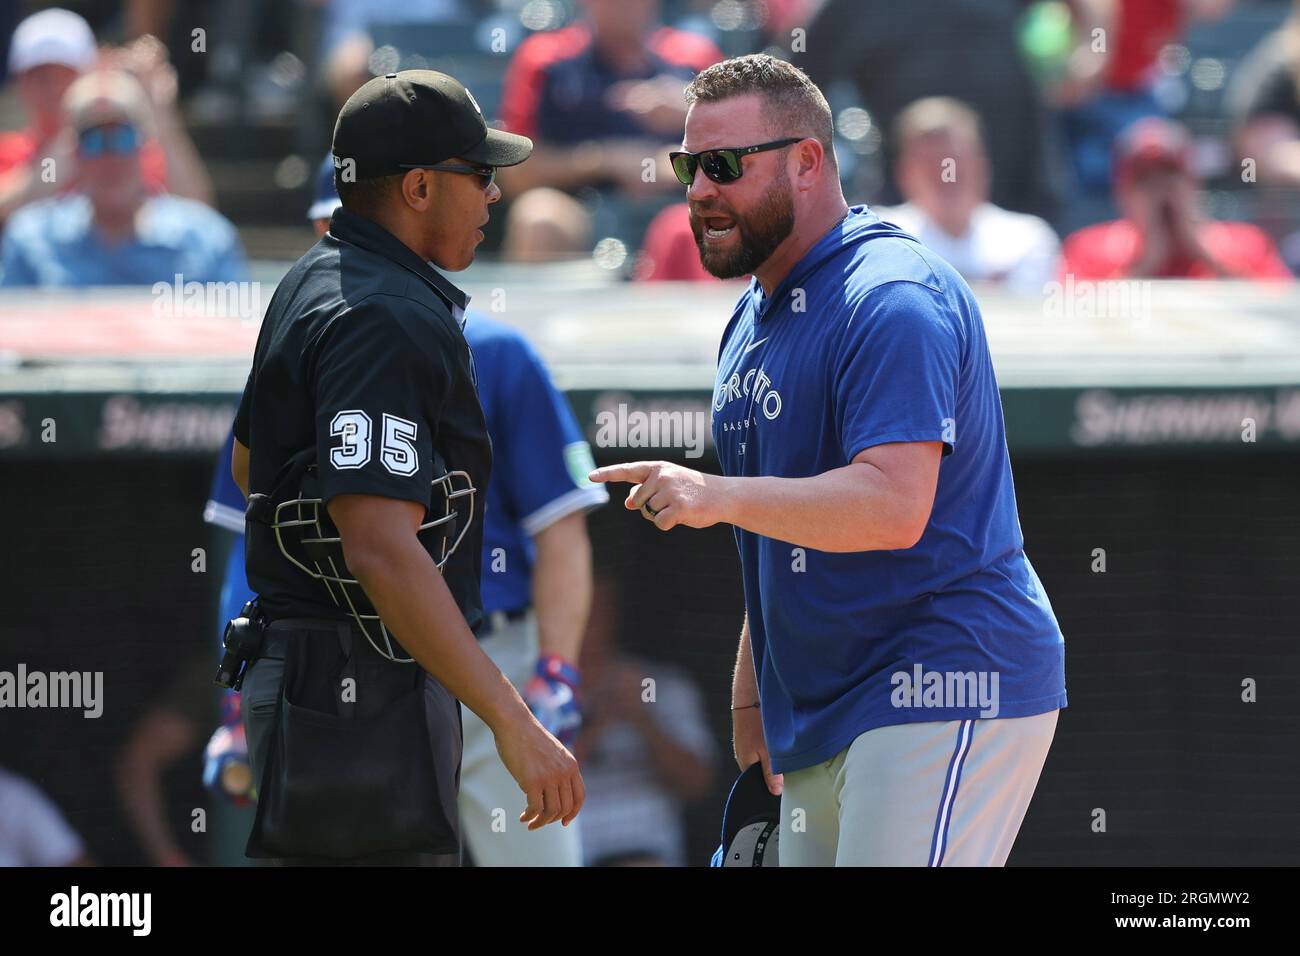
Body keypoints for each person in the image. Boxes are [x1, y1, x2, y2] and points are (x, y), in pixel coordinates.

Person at [590, 54, 1066, 867]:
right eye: (687, 166)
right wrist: (753, 698)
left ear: (808, 162)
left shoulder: (891, 294)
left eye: (723, 165)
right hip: (823, 708)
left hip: (943, 681)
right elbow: (782, 536)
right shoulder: (752, 315)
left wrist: (715, 491)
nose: (698, 188)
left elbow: (891, 504)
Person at [232, 70, 582, 864]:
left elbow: (251, 457)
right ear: (420, 186)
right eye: (481, 174)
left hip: (332, 679)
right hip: (353, 690)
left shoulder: (315, 278)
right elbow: (380, 547)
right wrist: (513, 721)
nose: (496, 196)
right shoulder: (381, 315)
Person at [496, 0, 722, 259]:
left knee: (718, 219)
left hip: (679, 207)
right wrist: (606, 159)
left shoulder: (696, 57)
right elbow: (515, 173)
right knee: (540, 219)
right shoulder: (545, 59)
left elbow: (741, 157)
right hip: (581, 209)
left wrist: (687, 122)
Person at [0, 68, 245, 287]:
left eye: (123, 138)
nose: (110, 158)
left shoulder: (204, 239)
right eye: (93, 140)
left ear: (145, 147)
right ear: (73, 154)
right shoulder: (32, 241)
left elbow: (236, 332)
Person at [0, 8, 214, 223]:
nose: (53, 87)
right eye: (40, 77)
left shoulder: (123, 147)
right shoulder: (8, 152)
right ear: (20, 84)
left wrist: (159, 109)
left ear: (89, 75)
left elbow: (197, 211)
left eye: (65, 74)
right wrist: (72, 141)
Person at [1060, 116, 1292, 280]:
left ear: (1193, 183)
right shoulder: (1089, 249)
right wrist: (1144, 265)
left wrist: (1208, 256)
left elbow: (1281, 316)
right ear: (1123, 193)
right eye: (1145, 180)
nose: (1161, 190)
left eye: (1171, 175)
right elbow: (1067, 323)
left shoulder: (1247, 244)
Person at [874, 97, 1061, 295]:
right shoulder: (881, 236)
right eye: (930, 165)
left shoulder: (1028, 237)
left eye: (953, 161)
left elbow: (1027, 318)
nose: (945, 176)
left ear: (982, 166)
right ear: (904, 174)